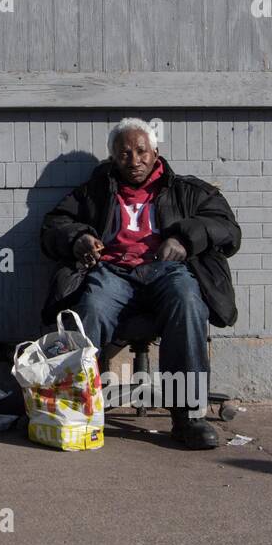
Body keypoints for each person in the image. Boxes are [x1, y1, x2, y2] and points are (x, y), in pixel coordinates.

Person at [39, 118, 242, 449]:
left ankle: (188, 416)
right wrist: (79, 239)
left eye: (141, 151)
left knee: (188, 301)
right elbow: (53, 226)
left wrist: (186, 240)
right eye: (124, 154)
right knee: (90, 307)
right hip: (113, 272)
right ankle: (77, 409)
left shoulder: (189, 191)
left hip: (167, 270)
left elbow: (228, 230)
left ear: (156, 151)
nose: (134, 160)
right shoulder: (94, 192)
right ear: (113, 159)